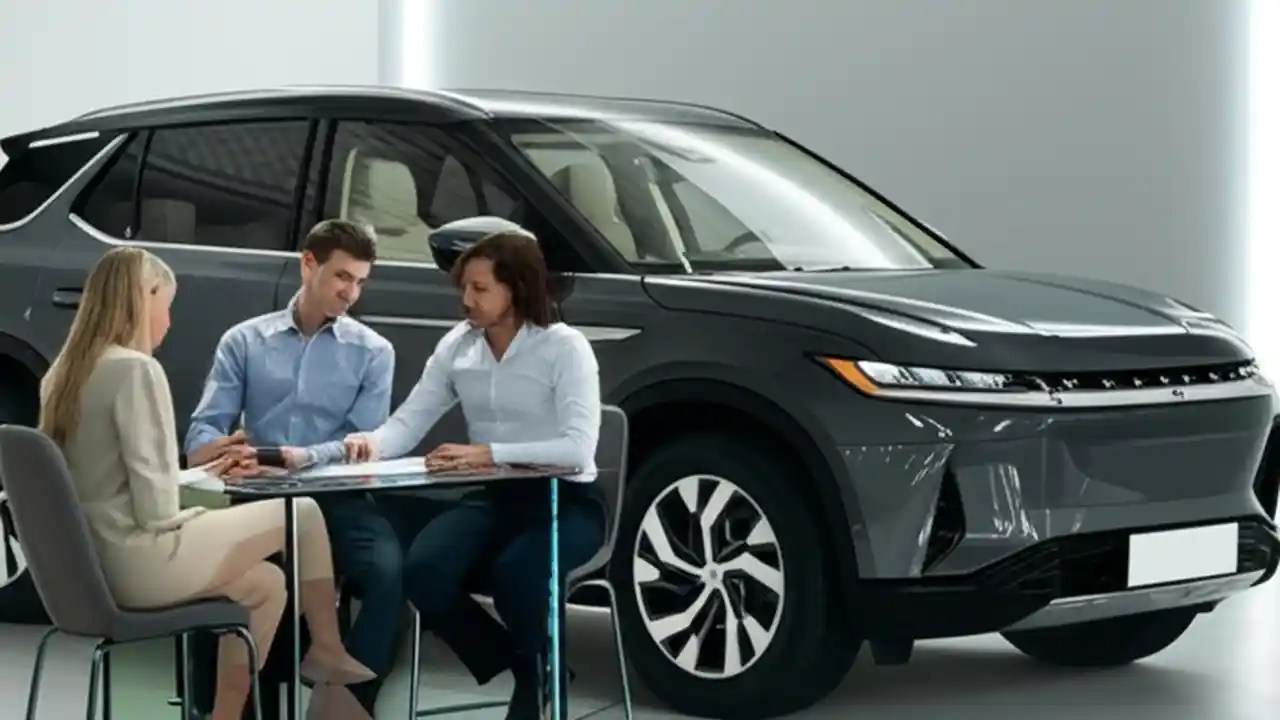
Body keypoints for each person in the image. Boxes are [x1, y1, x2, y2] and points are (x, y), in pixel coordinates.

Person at [37, 247, 374, 720]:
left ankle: (225, 715)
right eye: (167, 306)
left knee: (266, 583)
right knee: (301, 512)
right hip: (140, 564)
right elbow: (155, 511)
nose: (169, 323)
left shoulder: (64, 375)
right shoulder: (135, 370)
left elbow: (114, 482)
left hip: (87, 573)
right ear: (144, 297)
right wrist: (205, 511)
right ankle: (326, 651)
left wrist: (201, 473)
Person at [343, 229, 605, 720]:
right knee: (421, 571)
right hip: (495, 499)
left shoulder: (564, 347)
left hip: (563, 501)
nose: (467, 300)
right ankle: (530, 666)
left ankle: (535, 687)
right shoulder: (458, 346)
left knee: (517, 575)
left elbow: (577, 449)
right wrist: (367, 446)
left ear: (517, 288)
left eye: (480, 289)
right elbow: (409, 421)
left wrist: (488, 452)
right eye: (464, 287)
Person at [184, 219, 401, 718]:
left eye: (361, 281)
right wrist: (224, 450)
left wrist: (294, 458)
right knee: (237, 578)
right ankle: (218, 708)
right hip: (257, 497)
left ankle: (345, 704)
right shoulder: (244, 341)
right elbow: (202, 433)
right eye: (343, 277)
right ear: (309, 264)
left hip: (334, 497)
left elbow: (361, 442)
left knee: (387, 568)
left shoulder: (373, 352)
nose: (352, 292)